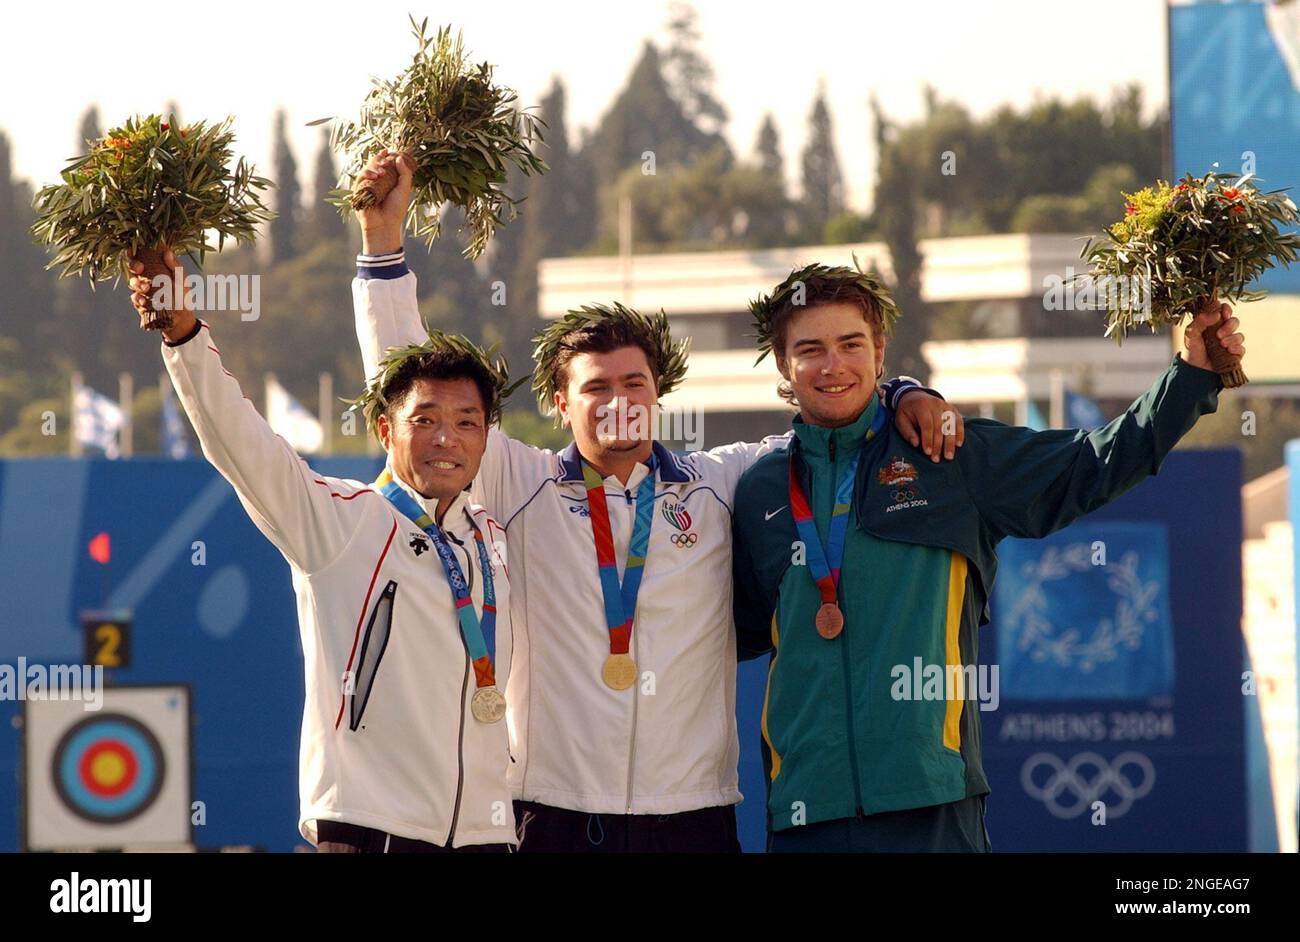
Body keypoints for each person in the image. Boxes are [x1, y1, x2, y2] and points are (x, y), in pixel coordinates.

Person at [350, 150, 967, 852]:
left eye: (634, 383)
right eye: (595, 388)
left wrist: (902, 389)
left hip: (692, 815)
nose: (619, 402)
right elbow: (410, 386)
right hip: (552, 810)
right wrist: (381, 244)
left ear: (659, 393)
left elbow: (833, 409)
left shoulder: (724, 482)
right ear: (558, 404)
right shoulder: (514, 482)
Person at [730, 260, 1243, 852]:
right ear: (782, 364)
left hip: (932, 801)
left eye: (851, 344)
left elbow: (1093, 465)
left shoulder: (947, 453)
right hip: (804, 808)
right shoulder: (762, 487)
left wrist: (1190, 376)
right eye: (810, 349)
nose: (832, 365)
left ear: (879, 353)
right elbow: (725, 626)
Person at [128, 241, 519, 853]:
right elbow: (242, 445)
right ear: (386, 429)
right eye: (425, 420)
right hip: (372, 831)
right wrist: (183, 332)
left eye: (467, 422)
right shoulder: (343, 521)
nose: (447, 438)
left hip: (487, 837)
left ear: (485, 437)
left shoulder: (491, 537)